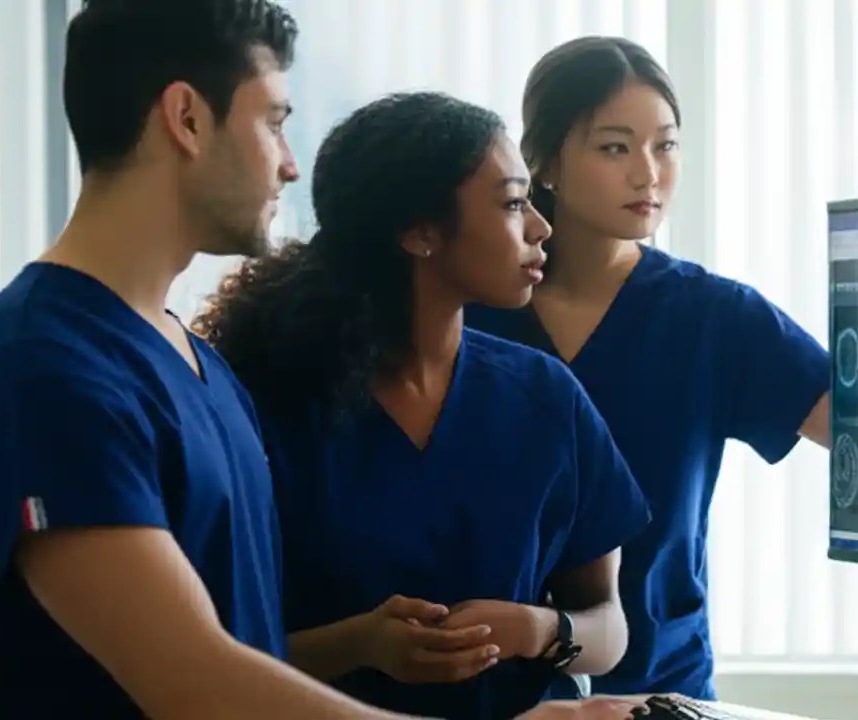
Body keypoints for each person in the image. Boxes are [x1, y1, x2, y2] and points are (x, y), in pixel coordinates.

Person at [0, 2, 641, 718]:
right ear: (185, 117)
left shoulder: (196, 369)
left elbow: (255, 651)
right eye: (273, 120)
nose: (289, 162)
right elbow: (198, 683)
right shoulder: (44, 371)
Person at [194, 91, 653, 720]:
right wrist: (358, 645)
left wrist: (537, 628)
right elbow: (202, 656)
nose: (541, 227)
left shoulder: (545, 397)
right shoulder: (261, 400)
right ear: (420, 232)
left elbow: (609, 625)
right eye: (513, 203)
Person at [464, 37, 832, 700]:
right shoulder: (473, 314)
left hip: (662, 696)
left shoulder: (716, 318)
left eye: (665, 145)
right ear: (545, 160)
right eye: (614, 147)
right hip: (493, 698)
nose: (649, 173)